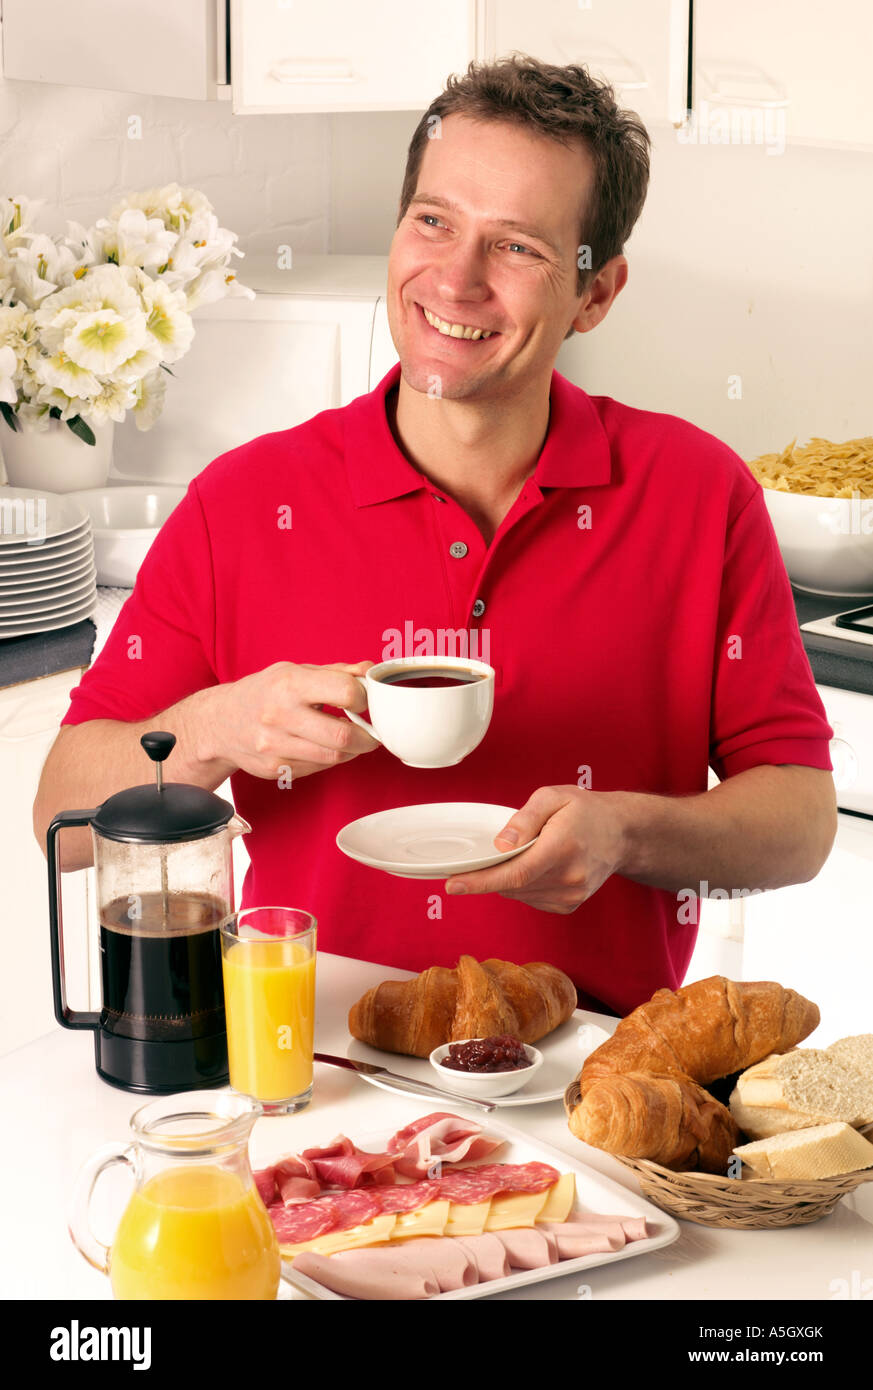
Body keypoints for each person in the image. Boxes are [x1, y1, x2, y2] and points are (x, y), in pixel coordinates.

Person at [33, 56, 836, 1017]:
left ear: (596, 293)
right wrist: (213, 729)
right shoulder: (242, 501)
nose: (454, 279)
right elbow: (62, 826)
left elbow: (799, 820)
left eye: (518, 248)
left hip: (592, 1085)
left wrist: (626, 833)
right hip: (311, 1072)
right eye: (433, 221)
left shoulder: (699, 495)